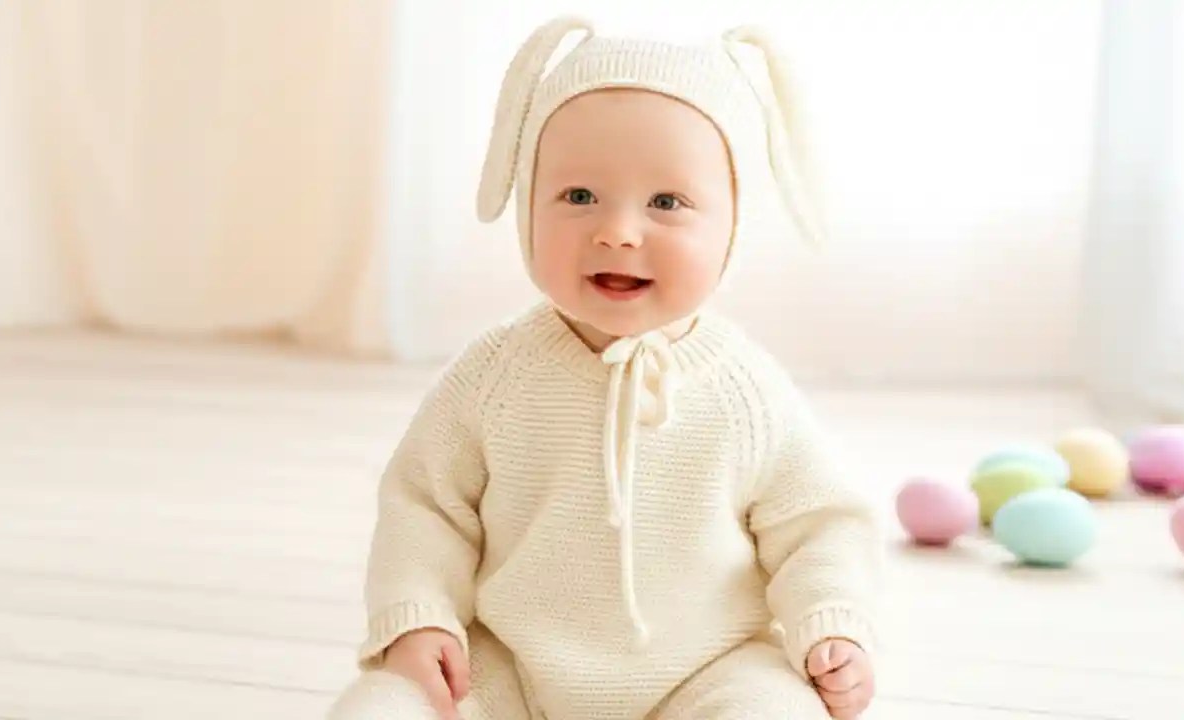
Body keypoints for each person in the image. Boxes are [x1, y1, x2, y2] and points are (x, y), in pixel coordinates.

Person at [326, 14, 882, 720]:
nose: (617, 230)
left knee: (771, 710)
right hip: (511, 668)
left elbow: (821, 522)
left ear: (733, 225)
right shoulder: (494, 376)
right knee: (381, 707)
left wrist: (831, 621)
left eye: (667, 203)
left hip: (707, 670)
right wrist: (419, 617)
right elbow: (423, 507)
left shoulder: (747, 392)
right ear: (526, 200)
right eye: (578, 196)